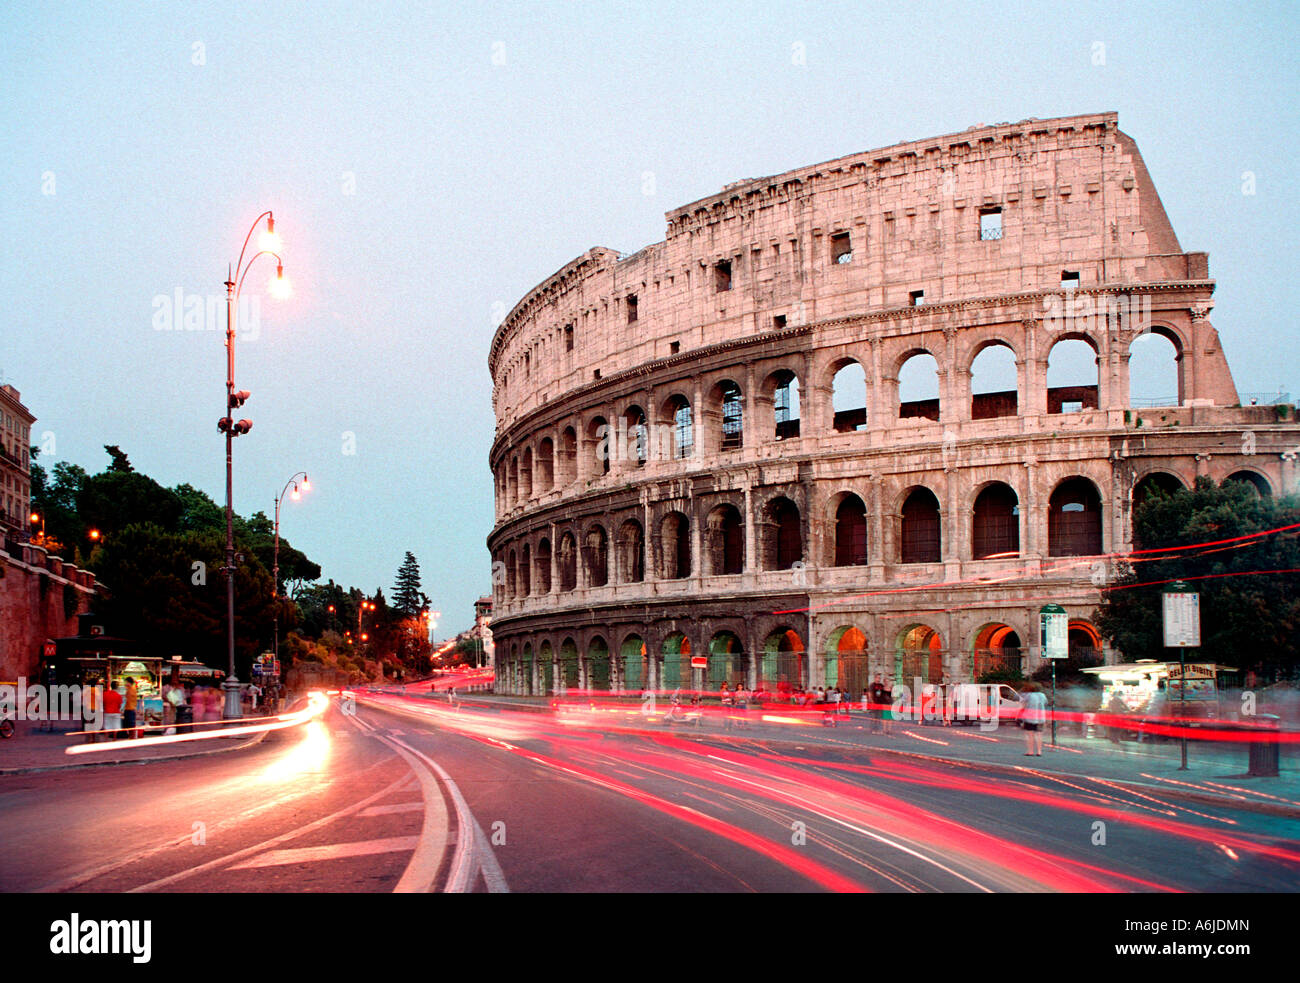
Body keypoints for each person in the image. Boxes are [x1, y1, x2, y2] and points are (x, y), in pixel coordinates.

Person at [1020, 681, 1048, 755]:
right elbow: (1045, 703)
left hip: (1030, 718)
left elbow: (1023, 705)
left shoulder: (1028, 695)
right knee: (1039, 735)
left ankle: (1030, 751)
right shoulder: (1043, 695)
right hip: (1041, 718)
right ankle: (1039, 751)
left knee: (1030, 735)